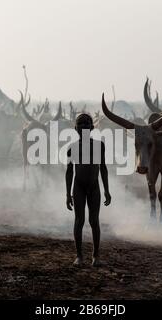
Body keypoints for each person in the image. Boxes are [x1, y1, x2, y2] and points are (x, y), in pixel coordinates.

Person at [65, 113, 111, 267]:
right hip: (78, 187)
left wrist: (107, 190)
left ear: (92, 128)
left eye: (87, 124)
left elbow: (103, 168)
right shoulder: (72, 147)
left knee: (94, 221)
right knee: (79, 221)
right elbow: (70, 171)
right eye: (81, 124)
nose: (84, 127)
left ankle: (96, 256)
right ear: (76, 129)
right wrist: (68, 194)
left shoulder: (99, 145)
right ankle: (79, 256)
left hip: (94, 186)